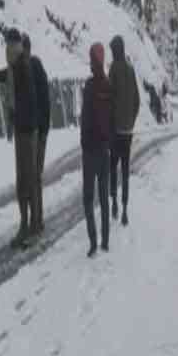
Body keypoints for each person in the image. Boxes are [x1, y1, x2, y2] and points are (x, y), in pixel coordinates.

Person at [0, 29, 38, 249]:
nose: (6, 49)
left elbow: (29, 100)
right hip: (23, 130)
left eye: (9, 45)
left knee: (27, 179)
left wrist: (17, 118)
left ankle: (30, 227)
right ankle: (26, 225)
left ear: (15, 46)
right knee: (23, 180)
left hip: (26, 131)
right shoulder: (16, 66)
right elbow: (4, 76)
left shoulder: (23, 66)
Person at [81, 42, 114, 257]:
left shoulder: (90, 86)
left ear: (94, 60)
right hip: (104, 149)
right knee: (103, 197)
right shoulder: (109, 86)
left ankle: (93, 241)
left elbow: (85, 118)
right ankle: (105, 240)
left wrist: (84, 141)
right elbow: (112, 117)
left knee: (88, 197)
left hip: (90, 151)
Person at [107, 36, 140, 226]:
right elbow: (137, 101)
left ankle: (113, 203)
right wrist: (131, 121)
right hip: (128, 130)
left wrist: (111, 122)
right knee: (125, 170)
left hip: (115, 130)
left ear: (116, 50)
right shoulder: (130, 68)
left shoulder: (114, 68)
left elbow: (109, 97)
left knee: (113, 167)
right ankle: (125, 209)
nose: (112, 53)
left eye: (112, 50)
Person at [24, 34, 51, 236]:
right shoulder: (30, 68)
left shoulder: (34, 68)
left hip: (38, 132)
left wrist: (42, 131)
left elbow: (44, 102)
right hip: (36, 132)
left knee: (34, 177)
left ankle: (37, 221)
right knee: (32, 177)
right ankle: (35, 219)